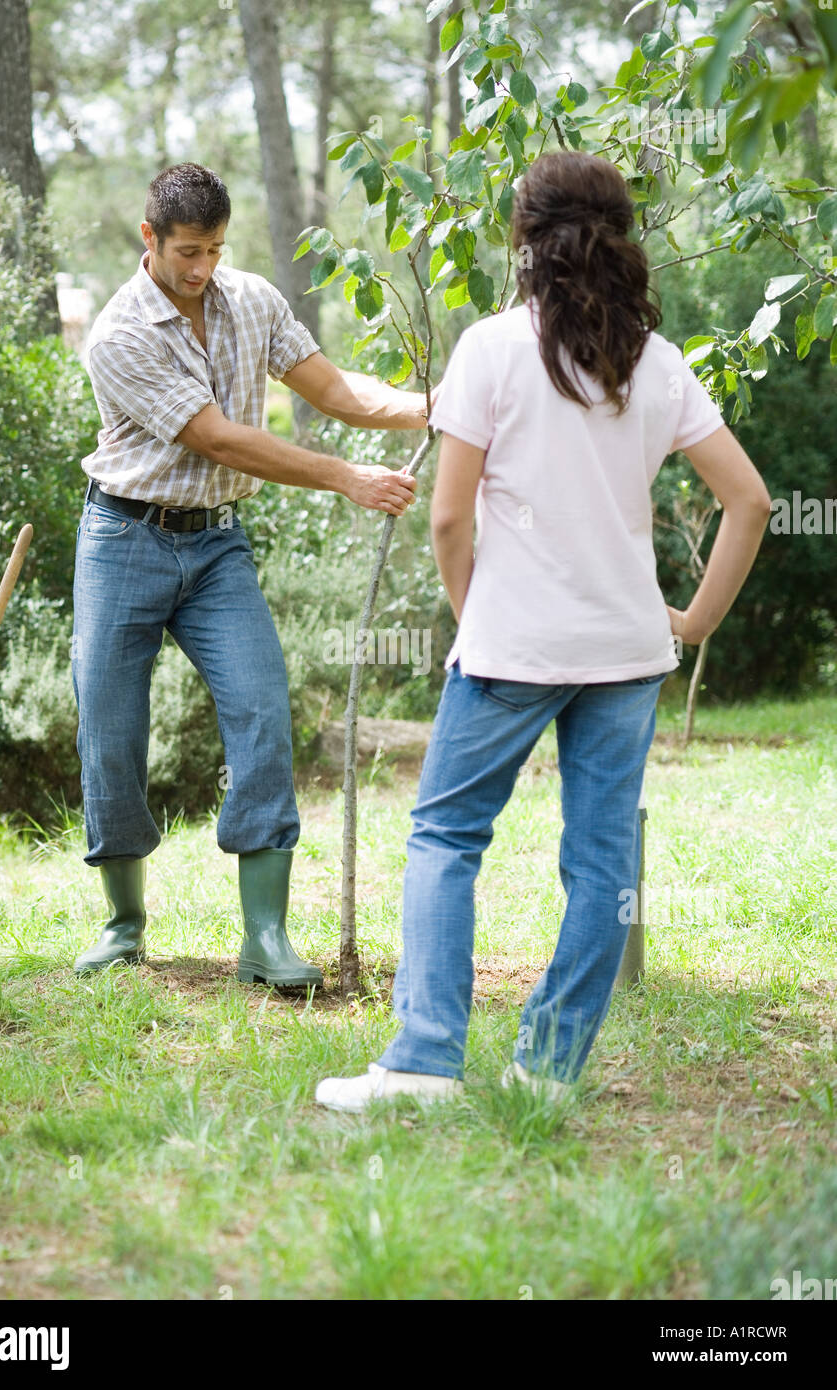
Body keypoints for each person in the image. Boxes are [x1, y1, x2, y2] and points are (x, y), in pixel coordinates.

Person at [316, 150, 771, 1111]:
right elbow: (750, 502)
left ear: (525, 235)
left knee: (445, 836)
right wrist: (689, 622)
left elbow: (448, 519)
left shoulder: (489, 349)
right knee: (602, 864)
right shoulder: (657, 364)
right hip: (625, 654)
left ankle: (423, 1065)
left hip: (511, 647)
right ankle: (548, 1073)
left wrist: (473, 611)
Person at [72, 162, 428, 983]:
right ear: (149, 238)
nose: (201, 270)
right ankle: (124, 923)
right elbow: (223, 440)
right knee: (112, 732)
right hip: (123, 538)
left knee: (262, 710)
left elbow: (334, 390)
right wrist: (345, 477)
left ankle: (263, 939)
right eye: (187, 252)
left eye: (216, 250)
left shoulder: (254, 300)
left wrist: (426, 403)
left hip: (215, 546)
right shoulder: (119, 334)